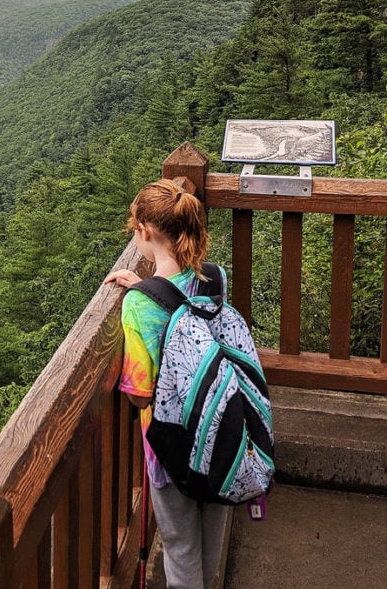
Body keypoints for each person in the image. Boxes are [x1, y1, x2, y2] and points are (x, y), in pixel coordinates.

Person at [105, 178, 228, 589]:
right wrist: (146, 286)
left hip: (171, 446)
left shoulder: (139, 306)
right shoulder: (215, 278)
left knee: (179, 544)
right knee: (210, 533)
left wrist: (142, 292)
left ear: (144, 231)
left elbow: (141, 393)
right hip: (221, 430)